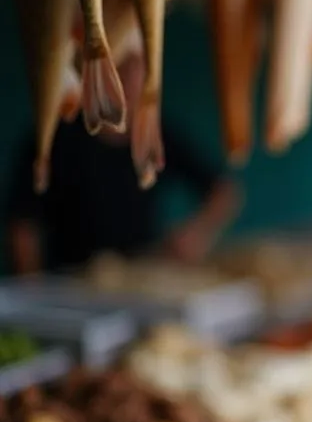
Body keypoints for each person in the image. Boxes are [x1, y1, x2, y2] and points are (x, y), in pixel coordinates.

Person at [6, 54, 241, 276]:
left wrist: (195, 233)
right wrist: (33, 286)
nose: (127, 79)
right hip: (74, 285)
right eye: (119, 67)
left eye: (136, 68)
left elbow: (224, 191)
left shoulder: (157, 134)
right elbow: (23, 223)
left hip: (142, 278)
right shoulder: (57, 137)